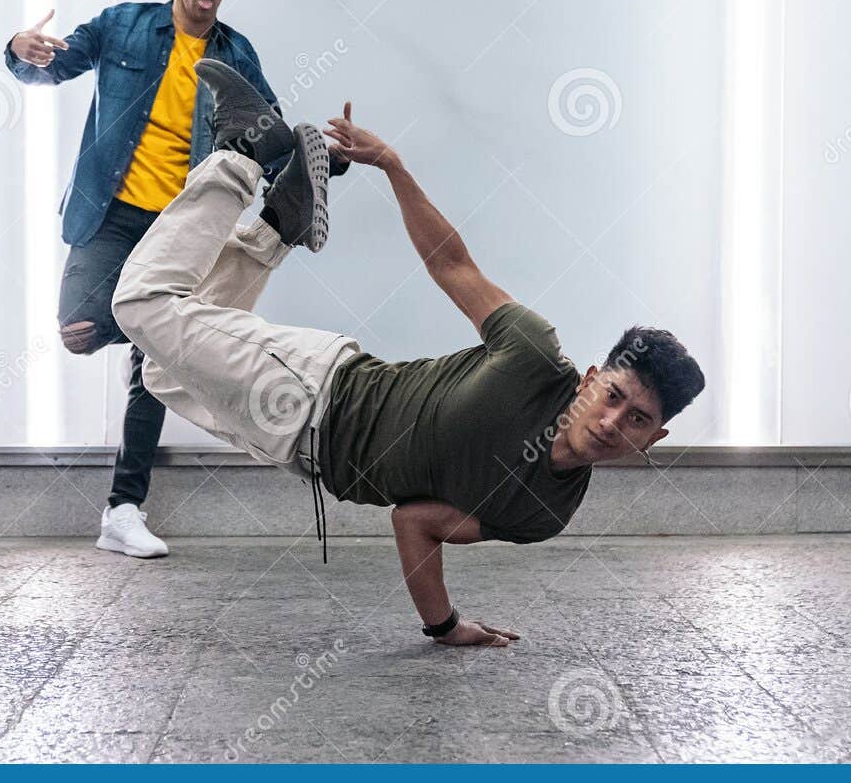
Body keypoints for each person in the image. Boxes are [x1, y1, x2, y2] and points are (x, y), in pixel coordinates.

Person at [111, 63, 706, 647]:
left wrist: (445, 628)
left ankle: (276, 226)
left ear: (653, 439)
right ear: (592, 380)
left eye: (636, 420)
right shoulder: (533, 355)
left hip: (301, 451)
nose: (610, 423)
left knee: (162, 369)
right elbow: (452, 264)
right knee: (140, 305)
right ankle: (242, 152)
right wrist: (392, 166)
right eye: (614, 397)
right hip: (317, 388)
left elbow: (415, 521)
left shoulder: (544, 513)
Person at [3, 0, 344, 559]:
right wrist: (21, 53)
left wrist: (324, 160)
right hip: (110, 214)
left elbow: (268, 139)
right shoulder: (124, 24)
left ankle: (122, 509)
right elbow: (54, 65)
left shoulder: (235, 54)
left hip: (181, 229)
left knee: (152, 369)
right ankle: (164, 313)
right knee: (79, 328)